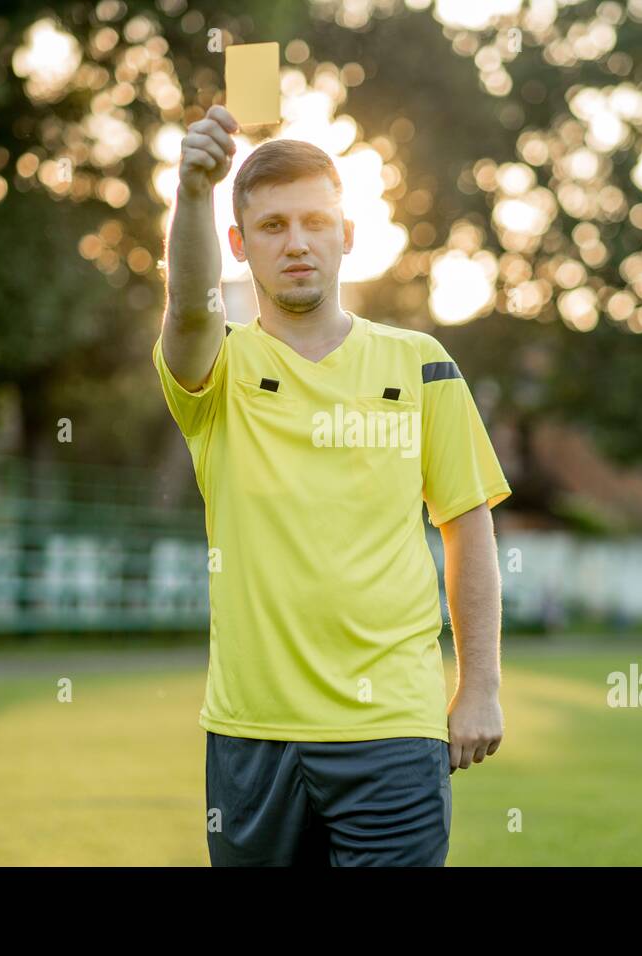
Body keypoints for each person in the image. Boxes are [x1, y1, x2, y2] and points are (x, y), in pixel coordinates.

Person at [153, 105, 512, 866]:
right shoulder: (220, 372)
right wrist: (191, 189)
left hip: (393, 730)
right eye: (274, 226)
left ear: (348, 234)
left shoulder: (422, 364)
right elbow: (187, 308)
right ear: (239, 244)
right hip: (252, 735)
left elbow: (467, 527)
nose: (298, 243)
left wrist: (479, 686)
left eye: (315, 221)